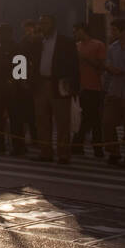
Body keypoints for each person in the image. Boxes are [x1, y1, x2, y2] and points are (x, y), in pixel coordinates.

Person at [25, 14, 79, 163]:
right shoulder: (37, 42)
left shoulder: (65, 42)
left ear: (53, 24)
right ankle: (45, 152)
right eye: (41, 23)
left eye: (46, 23)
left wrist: (74, 87)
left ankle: (63, 154)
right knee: (41, 120)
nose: (42, 26)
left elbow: (74, 65)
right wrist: (25, 80)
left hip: (59, 84)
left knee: (62, 121)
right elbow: (25, 59)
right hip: (40, 84)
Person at [101, 18, 125, 168]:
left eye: (115, 30)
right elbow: (108, 66)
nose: (112, 33)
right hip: (114, 90)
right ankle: (113, 151)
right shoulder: (113, 47)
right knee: (107, 122)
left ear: (124, 31)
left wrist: (124, 72)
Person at [0, 23, 26, 155]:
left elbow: (21, 71)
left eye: (0, 33)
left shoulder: (18, 48)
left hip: (13, 89)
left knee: (16, 119)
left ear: (7, 34)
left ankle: (19, 147)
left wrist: (13, 83)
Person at [72, 22, 107, 158]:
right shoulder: (76, 46)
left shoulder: (98, 45)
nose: (74, 34)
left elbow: (101, 66)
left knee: (94, 119)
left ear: (83, 31)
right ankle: (78, 144)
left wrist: (85, 59)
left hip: (94, 87)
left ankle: (95, 147)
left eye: (76, 31)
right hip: (80, 88)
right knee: (82, 118)